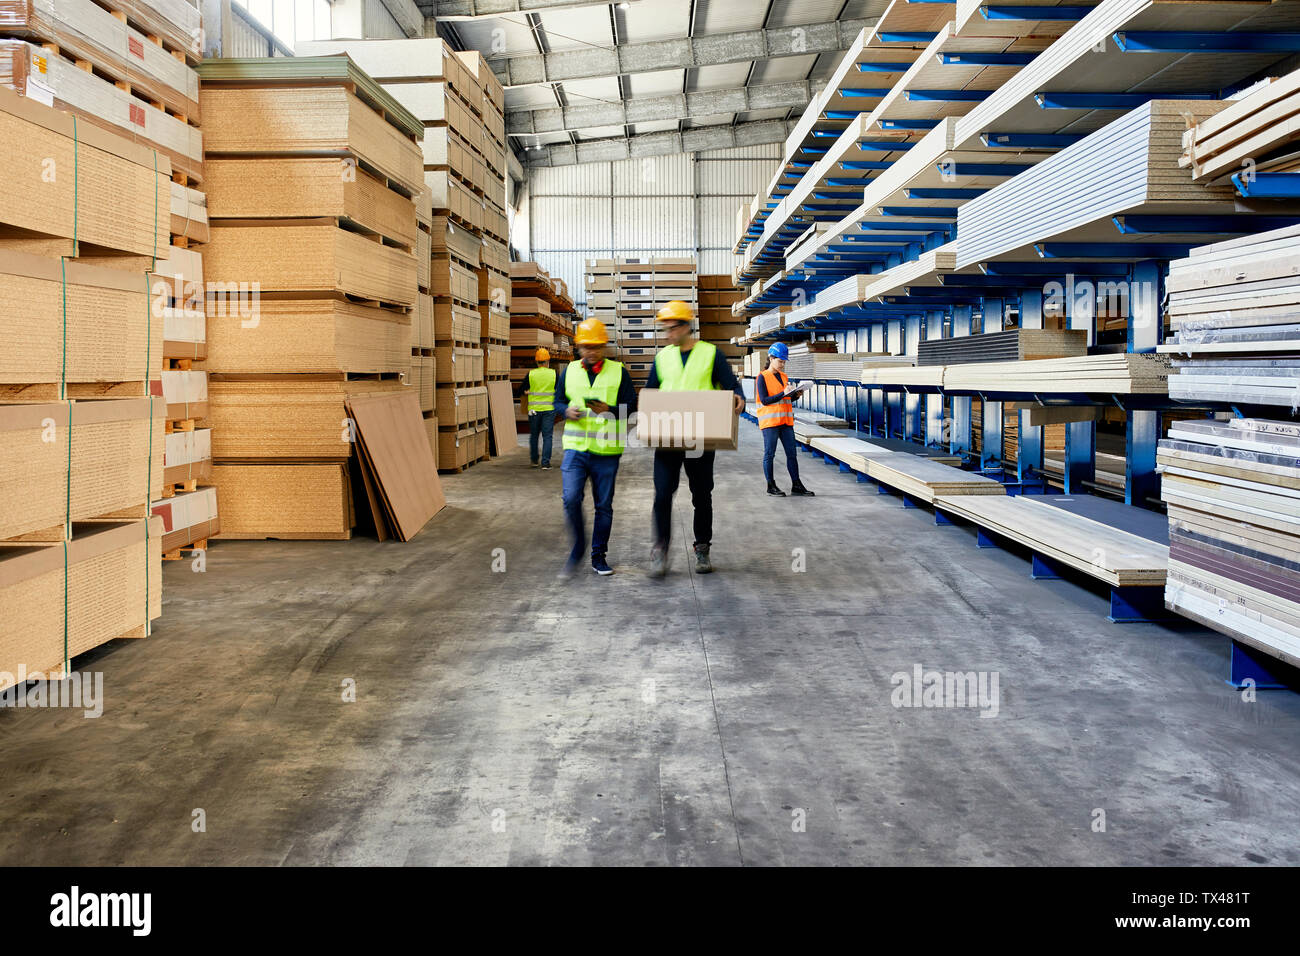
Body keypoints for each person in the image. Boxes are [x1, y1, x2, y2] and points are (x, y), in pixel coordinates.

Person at [644, 299, 746, 577]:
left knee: (701, 495)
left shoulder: (710, 354)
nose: (667, 334)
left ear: (686, 326)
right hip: (668, 439)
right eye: (664, 329)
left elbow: (732, 385)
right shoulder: (662, 357)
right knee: (662, 495)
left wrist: (739, 397)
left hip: (700, 438)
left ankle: (702, 547)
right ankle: (660, 550)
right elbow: (650, 393)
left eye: (672, 328)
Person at [554, 317, 637, 576]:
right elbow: (556, 401)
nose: (590, 351)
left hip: (606, 452)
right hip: (576, 449)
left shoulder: (618, 371)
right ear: (578, 347)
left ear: (603, 346)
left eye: (595, 346)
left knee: (603, 506)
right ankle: (578, 547)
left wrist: (609, 410)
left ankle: (598, 555)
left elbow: (632, 406)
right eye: (585, 347)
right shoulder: (569, 371)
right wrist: (565, 410)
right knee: (570, 499)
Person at [758, 342, 814, 498]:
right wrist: (783, 393)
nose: (782, 364)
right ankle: (771, 486)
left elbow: (785, 399)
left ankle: (796, 485)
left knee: (792, 454)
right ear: (771, 358)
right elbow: (765, 400)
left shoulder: (783, 376)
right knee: (770, 454)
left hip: (785, 422)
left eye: (784, 361)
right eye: (780, 361)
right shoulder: (762, 377)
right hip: (770, 424)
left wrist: (795, 395)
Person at [521, 347, 556, 469]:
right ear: (547, 361)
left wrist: (528, 392)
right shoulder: (553, 374)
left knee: (534, 435)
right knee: (547, 436)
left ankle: (534, 461)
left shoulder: (531, 374)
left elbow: (522, 390)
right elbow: (559, 390)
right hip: (549, 410)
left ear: (536, 362)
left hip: (534, 410)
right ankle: (545, 463)